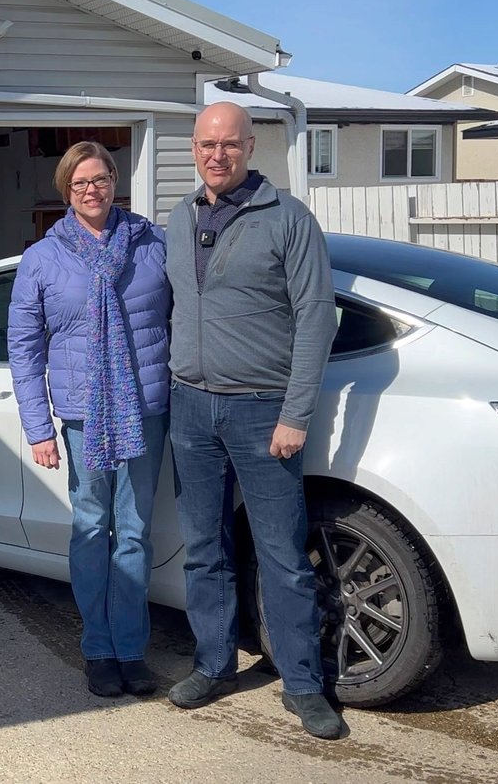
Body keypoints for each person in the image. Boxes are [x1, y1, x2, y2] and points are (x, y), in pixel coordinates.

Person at [163, 102, 344, 739]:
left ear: (250, 148)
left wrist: (295, 415)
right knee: (205, 549)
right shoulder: (179, 219)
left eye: (231, 145)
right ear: (194, 149)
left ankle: (302, 685)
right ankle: (214, 664)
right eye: (208, 144)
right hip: (189, 406)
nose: (219, 155)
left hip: (262, 410)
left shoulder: (289, 219)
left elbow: (317, 318)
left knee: (281, 553)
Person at [8, 141, 172, 698]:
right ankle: (98, 650)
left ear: (114, 180)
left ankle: (132, 649)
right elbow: (24, 347)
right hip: (82, 417)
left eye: (99, 179)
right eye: (79, 184)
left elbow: (188, 314)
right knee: (90, 527)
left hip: (144, 409)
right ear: (65, 191)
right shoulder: (43, 258)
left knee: (133, 532)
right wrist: (38, 427)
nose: (91, 191)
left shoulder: (152, 244)